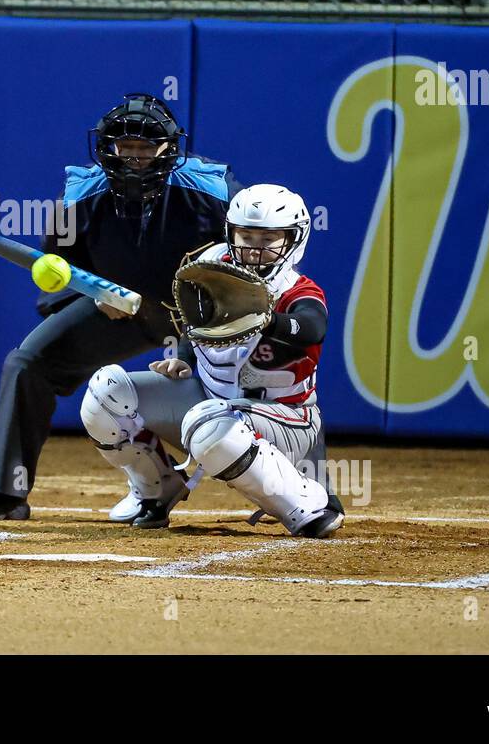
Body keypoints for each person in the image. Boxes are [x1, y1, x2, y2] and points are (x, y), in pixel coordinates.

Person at [0, 94, 241, 522]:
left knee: (260, 381)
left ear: (169, 149)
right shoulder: (80, 192)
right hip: (124, 311)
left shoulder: (212, 188)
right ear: (106, 148)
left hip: (206, 315)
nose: (134, 157)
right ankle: (5, 490)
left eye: (145, 147)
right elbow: (58, 269)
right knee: (26, 363)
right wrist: (91, 295)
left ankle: (294, 487)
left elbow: (255, 255)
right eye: (124, 147)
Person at [79, 183, 344, 535]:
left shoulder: (299, 292)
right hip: (210, 404)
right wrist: (184, 357)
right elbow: (195, 319)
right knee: (106, 392)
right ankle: (155, 489)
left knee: (209, 422)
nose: (255, 249)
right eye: (246, 236)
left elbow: (312, 328)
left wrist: (267, 320)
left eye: (269, 240)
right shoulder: (213, 266)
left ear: (294, 240)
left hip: (286, 423)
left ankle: (305, 505)